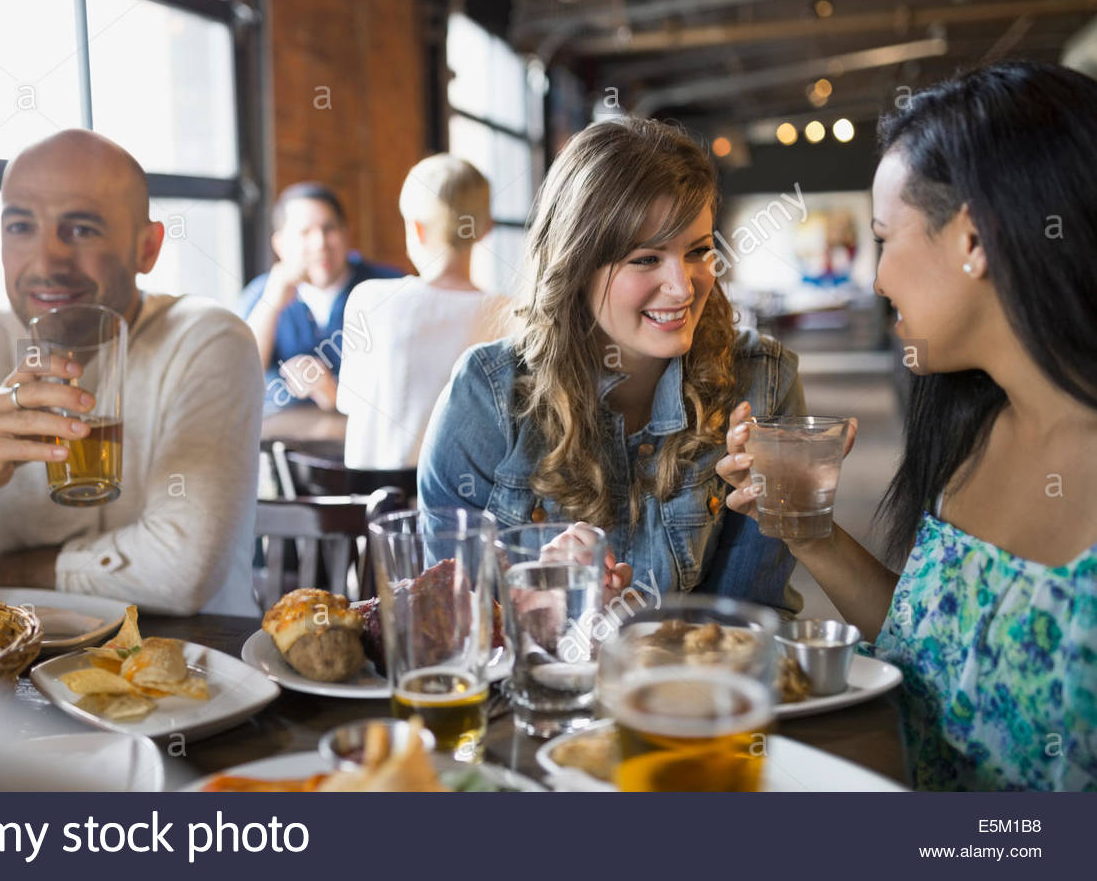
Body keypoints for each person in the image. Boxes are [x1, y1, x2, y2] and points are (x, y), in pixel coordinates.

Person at [719, 61, 1097, 791]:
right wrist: (811, 531)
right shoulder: (972, 429)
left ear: (976, 239)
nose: (877, 277)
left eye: (887, 238)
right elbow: (943, 649)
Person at [0, 130, 263, 616]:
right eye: (20, 227)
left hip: (206, 668)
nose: (47, 260)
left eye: (81, 229)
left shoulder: (208, 338)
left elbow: (182, 572)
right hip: (21, 670)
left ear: (148, 248)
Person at [420, 117, 805, 613]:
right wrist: (545, 613)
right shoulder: (486, 398)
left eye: (698, 251)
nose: (684, 286)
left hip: (695, 689)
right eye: (646, 259)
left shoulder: (764, 382)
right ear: (576, 265)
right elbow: (452, 627)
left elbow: (750, 621)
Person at [337, 154, 512, 470]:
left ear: (415, 229)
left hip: (371, 506)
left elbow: (349, 404)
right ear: (486, 229)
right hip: (464, 513)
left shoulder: (369, 298)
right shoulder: (509, 314)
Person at [238, 183, 400, 413]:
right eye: (305, 233)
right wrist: (271, 305)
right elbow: (236, 379)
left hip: (360, 441)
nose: (320, 243)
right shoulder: (260, 294)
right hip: (278, 442)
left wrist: (334, 395)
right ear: (280, 244)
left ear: (347, 234)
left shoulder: (388, 288)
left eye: (329, 229)